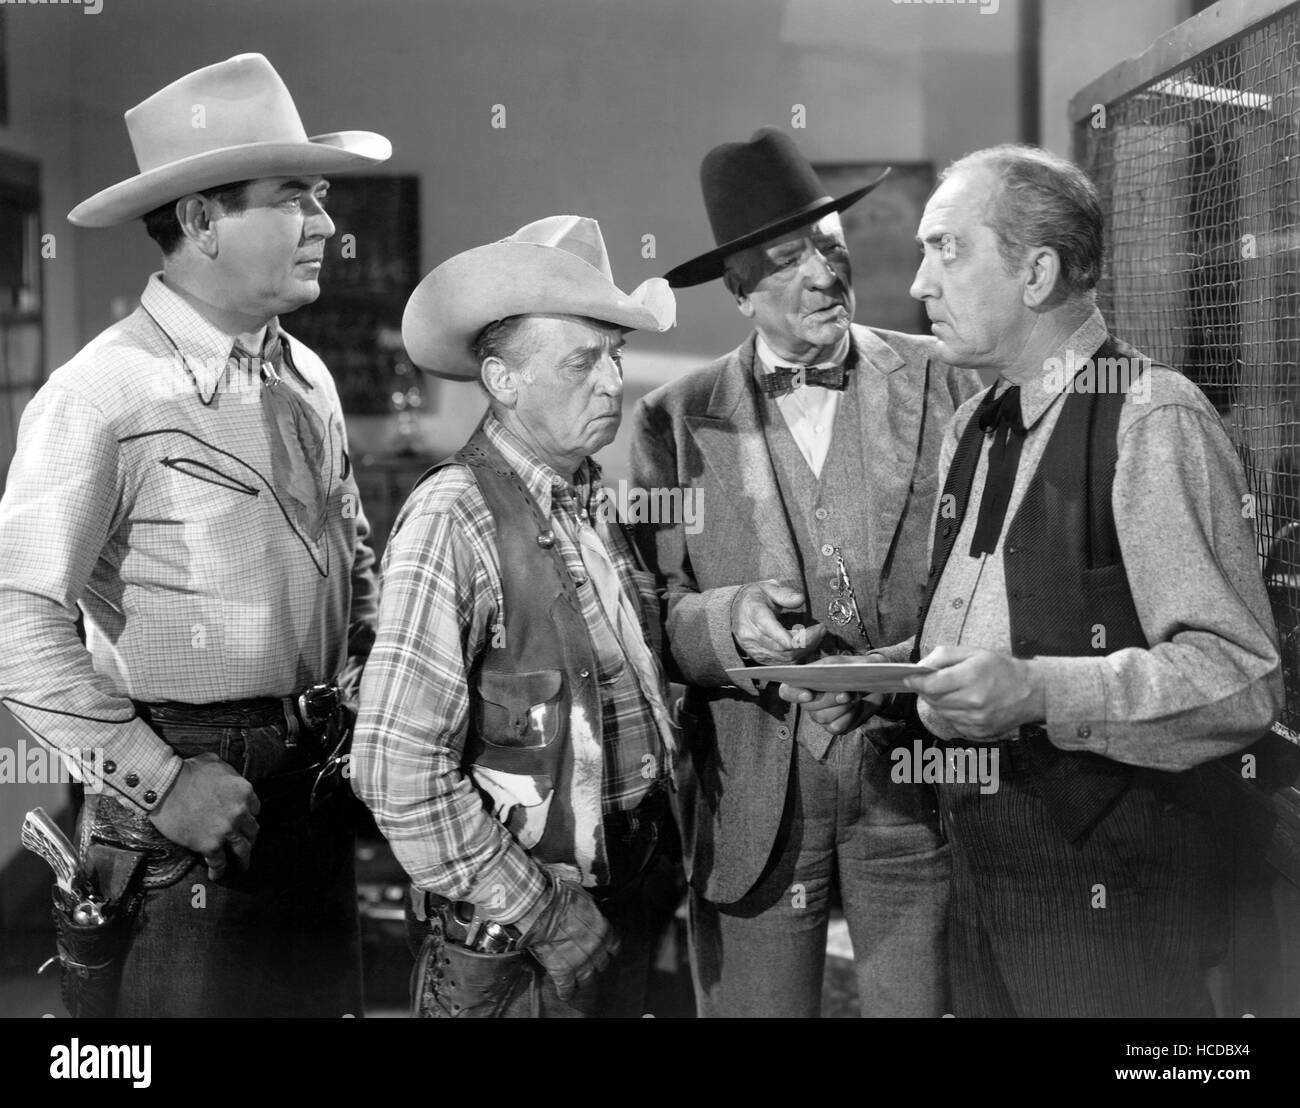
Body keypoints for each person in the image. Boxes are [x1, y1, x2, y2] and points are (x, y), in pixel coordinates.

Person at [792, 144, 1282, 1017]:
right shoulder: (976, 424)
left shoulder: (1149, 415)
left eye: (946, 249)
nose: (919, 285)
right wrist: (890, 681)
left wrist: (1034, 691)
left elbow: (1238, 681)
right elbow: (999, 634)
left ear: (1037, 272)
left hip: (1108, 888)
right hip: (983, 866)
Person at [0, 53, 390, 1017]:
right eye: (293, 196)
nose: (326, 224)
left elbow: (355, 557)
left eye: (322, 194)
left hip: (314, 785)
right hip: (185, 818)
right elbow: (16, 621)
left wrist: (379, 682)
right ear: (203, 220)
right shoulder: (102, 395)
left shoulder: (307, 377)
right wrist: (163, 781)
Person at [629, 127, 981, 1017]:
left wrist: (903, 667)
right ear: (741, 289)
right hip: (754, 805)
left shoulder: (944, 382)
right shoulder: (674, 422)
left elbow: (988, 569)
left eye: (829, 247)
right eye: (787, 262)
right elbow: (648, 612)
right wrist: (727, 621)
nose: (825, 275)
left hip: (918, 787)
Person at [352, 215, 680, 1018]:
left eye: (616, 356)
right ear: (502, 379)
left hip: (621, 897)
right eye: (582, 362)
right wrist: (539, 909)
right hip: (520, 946)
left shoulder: (590, 498)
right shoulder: (455, 517)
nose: (612, 383)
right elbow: (395, 770)